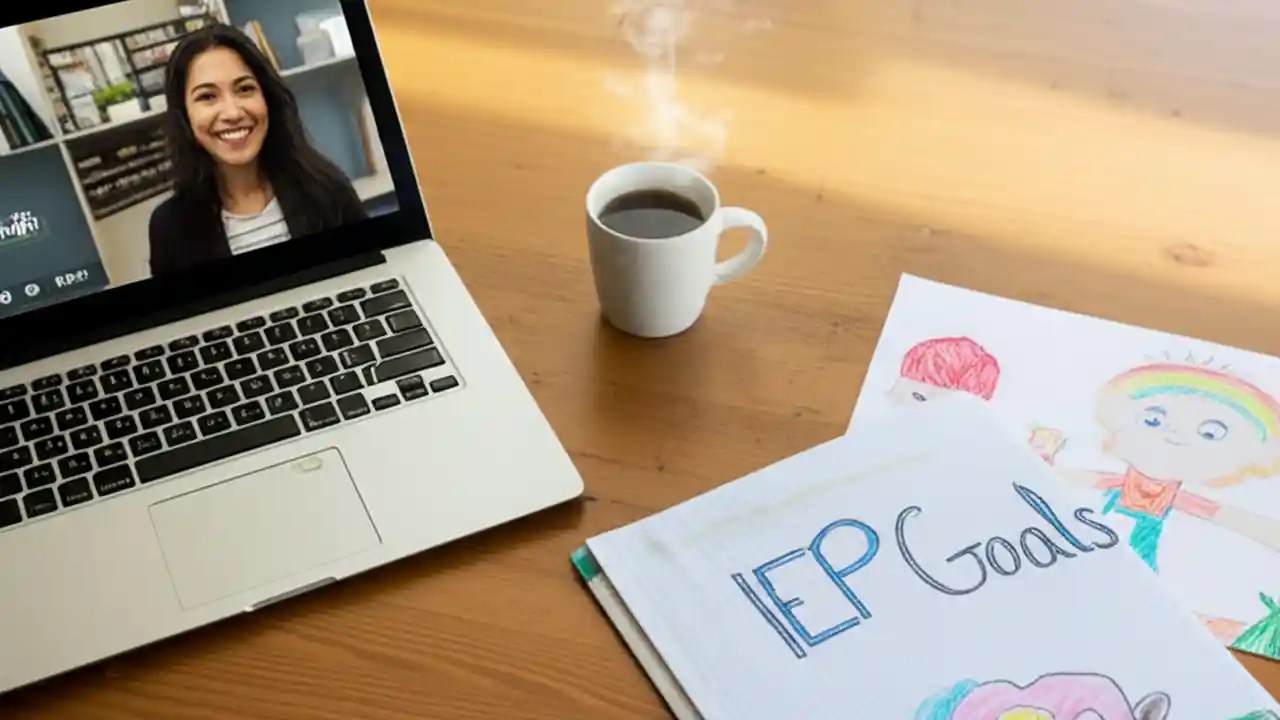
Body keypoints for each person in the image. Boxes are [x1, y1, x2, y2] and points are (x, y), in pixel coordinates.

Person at [148, 24, 366, 277]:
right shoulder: (169, 226)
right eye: (207, 96)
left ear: (267, 98)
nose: (232, 113)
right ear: (184, 115)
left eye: (244, 89)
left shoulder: (328, 188)